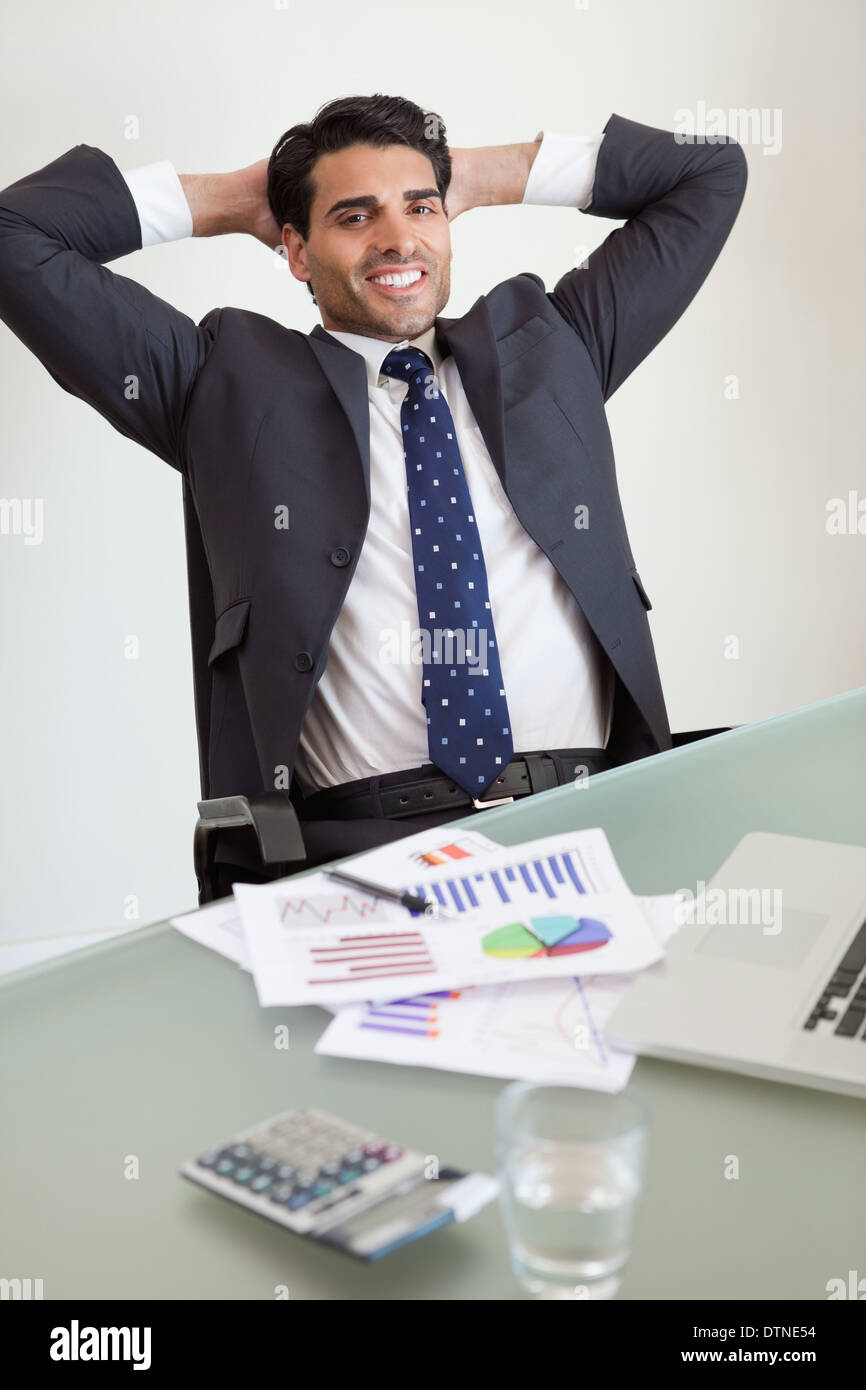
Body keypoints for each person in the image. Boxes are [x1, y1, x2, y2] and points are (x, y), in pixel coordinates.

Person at [0, 94, 747, 895]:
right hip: (356, 863)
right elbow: (17, 237)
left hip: (594, 829)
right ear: (295, 249)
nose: (398, 238)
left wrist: (479, 176)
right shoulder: (222, 383)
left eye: (419, 208)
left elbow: (708, 171)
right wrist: (230, 198)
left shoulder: (552, 343)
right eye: (354, 217)